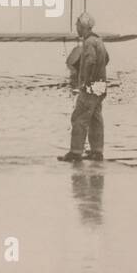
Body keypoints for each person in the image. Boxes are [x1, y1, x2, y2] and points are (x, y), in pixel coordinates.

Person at [58, 13, 109, 162]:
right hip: (100, 84)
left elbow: (90, 62)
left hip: (90, 86)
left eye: (77, 25)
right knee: (95, 118)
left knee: (79, 117)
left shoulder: (88, 42)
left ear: (83, 26)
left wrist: (85, 82)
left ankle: (75, 152)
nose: (76, 28)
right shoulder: (99, 40)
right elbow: (106, 58)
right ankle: (97, 151)